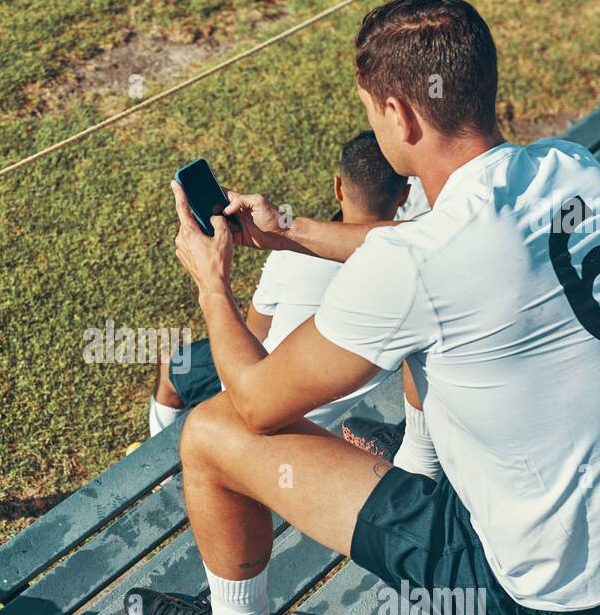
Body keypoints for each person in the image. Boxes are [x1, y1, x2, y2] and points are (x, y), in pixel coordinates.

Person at [124, 0, 600, 615]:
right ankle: (418, 466)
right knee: (440, 335)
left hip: (531, 594)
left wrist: (212, 284)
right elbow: (426, 245)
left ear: (399, 114)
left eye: (368, 108)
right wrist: (290, 230)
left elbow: (258, 403)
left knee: (209, 433)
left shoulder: (418, 266)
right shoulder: (573, 169)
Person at [149, 132, 427, 437]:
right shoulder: (420, 263)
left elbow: (253, 343)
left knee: (172, 365)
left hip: (258, 402)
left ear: (338, 187)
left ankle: (160, 458)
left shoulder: (289, 260)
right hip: (347, 417)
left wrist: (212, 284)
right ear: (404, 196)